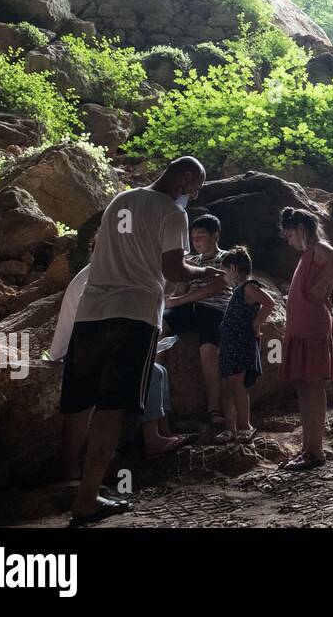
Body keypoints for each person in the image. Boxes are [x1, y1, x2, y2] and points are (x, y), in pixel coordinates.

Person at [59, 156, 223, 526]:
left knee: (79, 401)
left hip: (91, 312)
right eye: (195, 188)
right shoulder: (172, 212)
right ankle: (86, 499)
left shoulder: (121, 200)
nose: (193, 196)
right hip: (134, 314)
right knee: (112, 408)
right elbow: (173, 269)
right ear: (184, 178)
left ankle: (66, 477)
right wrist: (205, 271)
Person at [279, 207, 333, 472]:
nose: (289, 241)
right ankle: (308, 447)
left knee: (312, 384)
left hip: (312, 324)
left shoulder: (318, 247)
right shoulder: (307, 254)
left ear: (301, 229)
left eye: (289, 235)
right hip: (302, 325)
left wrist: (322, 285)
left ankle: (315, 450)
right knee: (304, 385)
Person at [163, 214, 232, 430]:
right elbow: (180, 291)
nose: (196, 241)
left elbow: (218, 286)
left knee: (208, 351)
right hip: (189, 308)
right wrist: (171, 300)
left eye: (201, 235)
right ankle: (157, 393)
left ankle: (214, 408)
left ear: (216, 236)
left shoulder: (226, 258)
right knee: (160, 327)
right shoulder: (191, 261)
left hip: (214, 308)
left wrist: (180, 300)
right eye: (193, 237)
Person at [217, 246, 275, 445]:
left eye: (224, 272)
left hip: (241, 342)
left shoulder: (248, 287)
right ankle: (229, 427)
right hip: (229, 344)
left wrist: (256, 324)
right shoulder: (236, 291)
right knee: (226, 386)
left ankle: (244, 425)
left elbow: (269, 303)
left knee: (237, 385)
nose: (223, 277)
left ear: (233, 269)